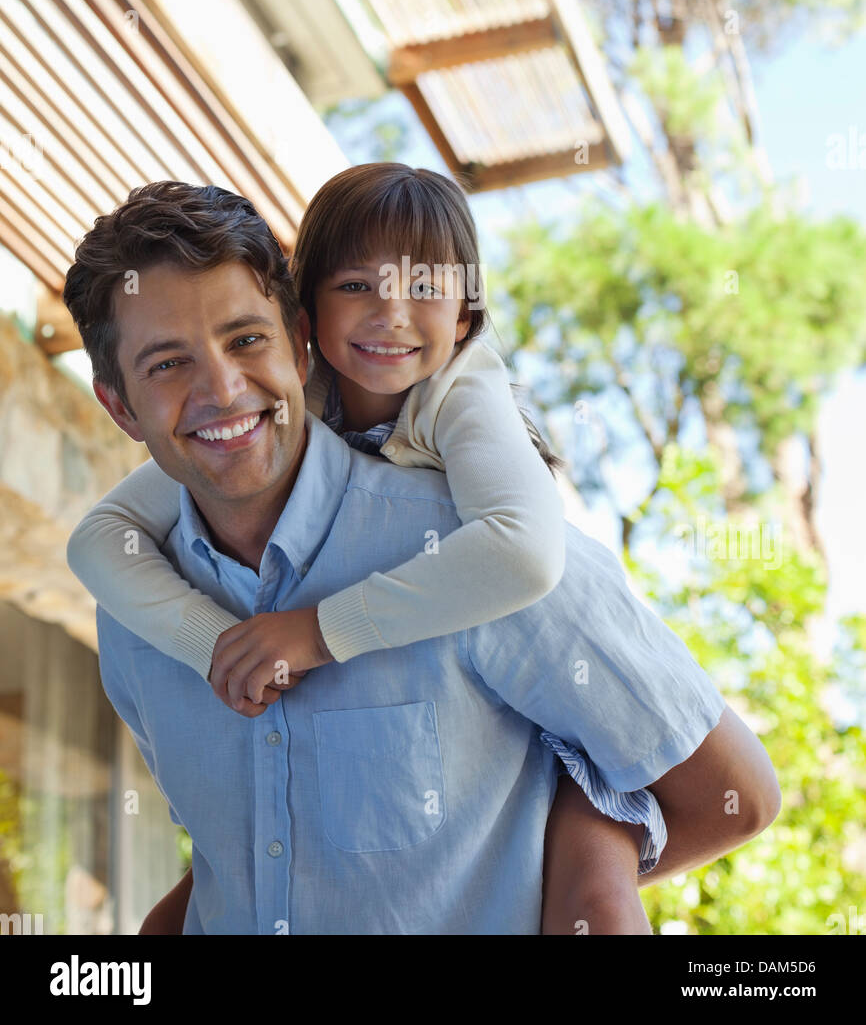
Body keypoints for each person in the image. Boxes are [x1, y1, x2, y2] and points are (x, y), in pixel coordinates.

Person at [64, 180, 781, 935]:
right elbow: (236, 854)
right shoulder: (137, 614)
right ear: (118, 406)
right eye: (167, 364)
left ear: (298, 342)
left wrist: (584, 863)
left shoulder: (479, 553)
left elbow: (734, 796)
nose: (222, 388)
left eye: (246, 340)